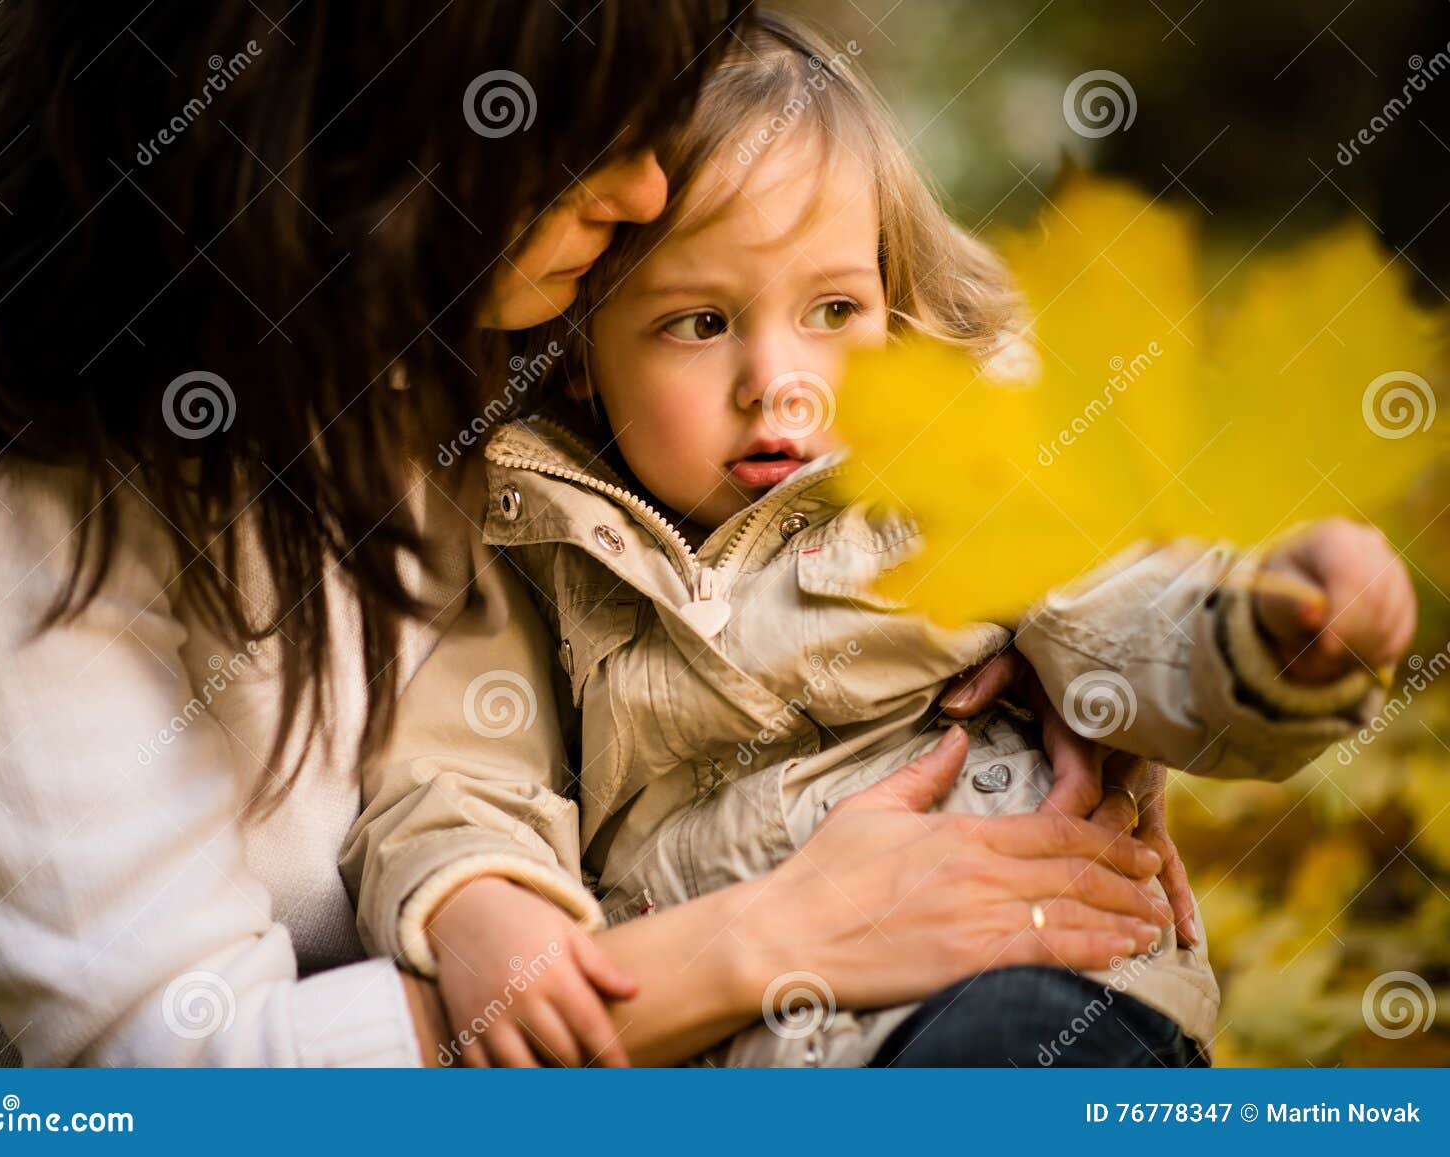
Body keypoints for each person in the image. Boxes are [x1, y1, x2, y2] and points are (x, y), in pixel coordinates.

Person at [0, 0, 1168, 1068]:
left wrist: (1056, 637)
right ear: (350, 132)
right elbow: (188, 1075)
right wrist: (784, 928)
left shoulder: (432, 339)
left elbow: (908, 335)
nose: (646, 182)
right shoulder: (7, 546)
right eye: (577, 127)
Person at [345, 12, 1413, 1067]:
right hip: (740, 1047)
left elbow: (1130, 611)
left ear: (894, 310)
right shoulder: (528, 540)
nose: (778, 383)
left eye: (833, 312)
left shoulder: (957, 480)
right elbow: (453, 763)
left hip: (1023, 987)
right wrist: (476, 898)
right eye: (700, 324)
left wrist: (1268, 630)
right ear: (579, 355)